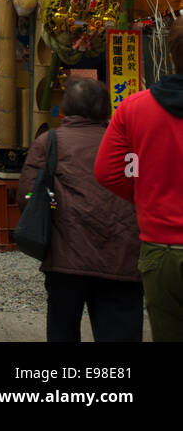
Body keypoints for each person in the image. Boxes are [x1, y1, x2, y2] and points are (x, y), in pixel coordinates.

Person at [17, 78, 142, 341]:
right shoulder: (128, 143)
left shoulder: (49, 142)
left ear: (65, 108)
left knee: (63, 332)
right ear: (107, 110)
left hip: (65, 260)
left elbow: (28, 196)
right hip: (122, 258)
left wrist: (52, 211)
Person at [96, 20, 183, 342]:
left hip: (160, 247)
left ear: (171, 53)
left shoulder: (134, 107)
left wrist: (147, 195)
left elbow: (108, 172)